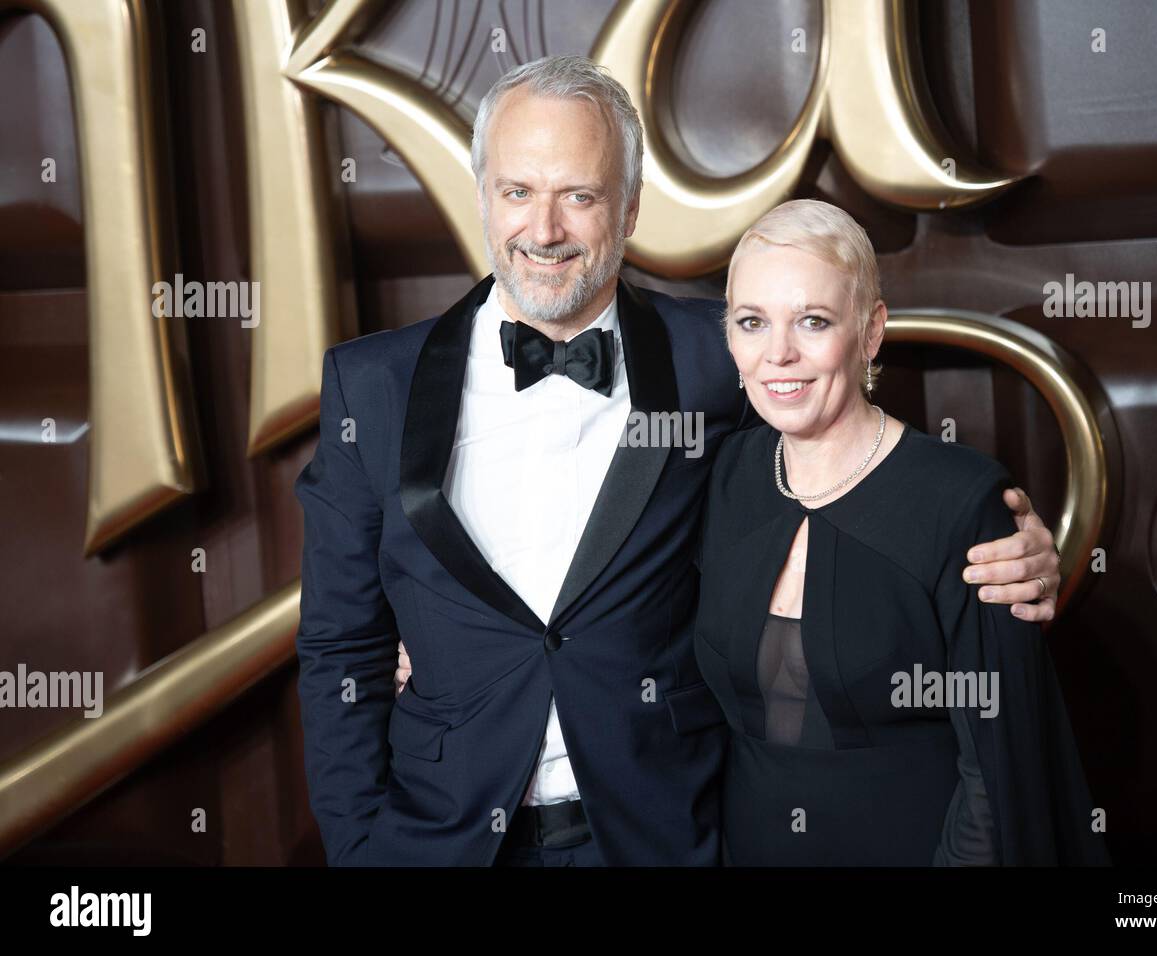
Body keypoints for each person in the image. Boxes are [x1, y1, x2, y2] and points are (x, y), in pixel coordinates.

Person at [297, 55, 1061, 867]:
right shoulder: (373, 385)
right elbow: (339, 645)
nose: (544, 228)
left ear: (628, 208)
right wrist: (359, 846)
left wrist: (1006, 547)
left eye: (579, 195)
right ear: (482, 195)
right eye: (518, 191)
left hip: (662, 834)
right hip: (435, 839)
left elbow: (847, 460)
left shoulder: (720, 353)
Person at [692, 198, 1108, 864]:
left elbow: (995, 777)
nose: (779, 354)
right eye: (751, 322)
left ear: (871, 330)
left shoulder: (962, 502)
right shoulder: (723, 478)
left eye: (813, 321)